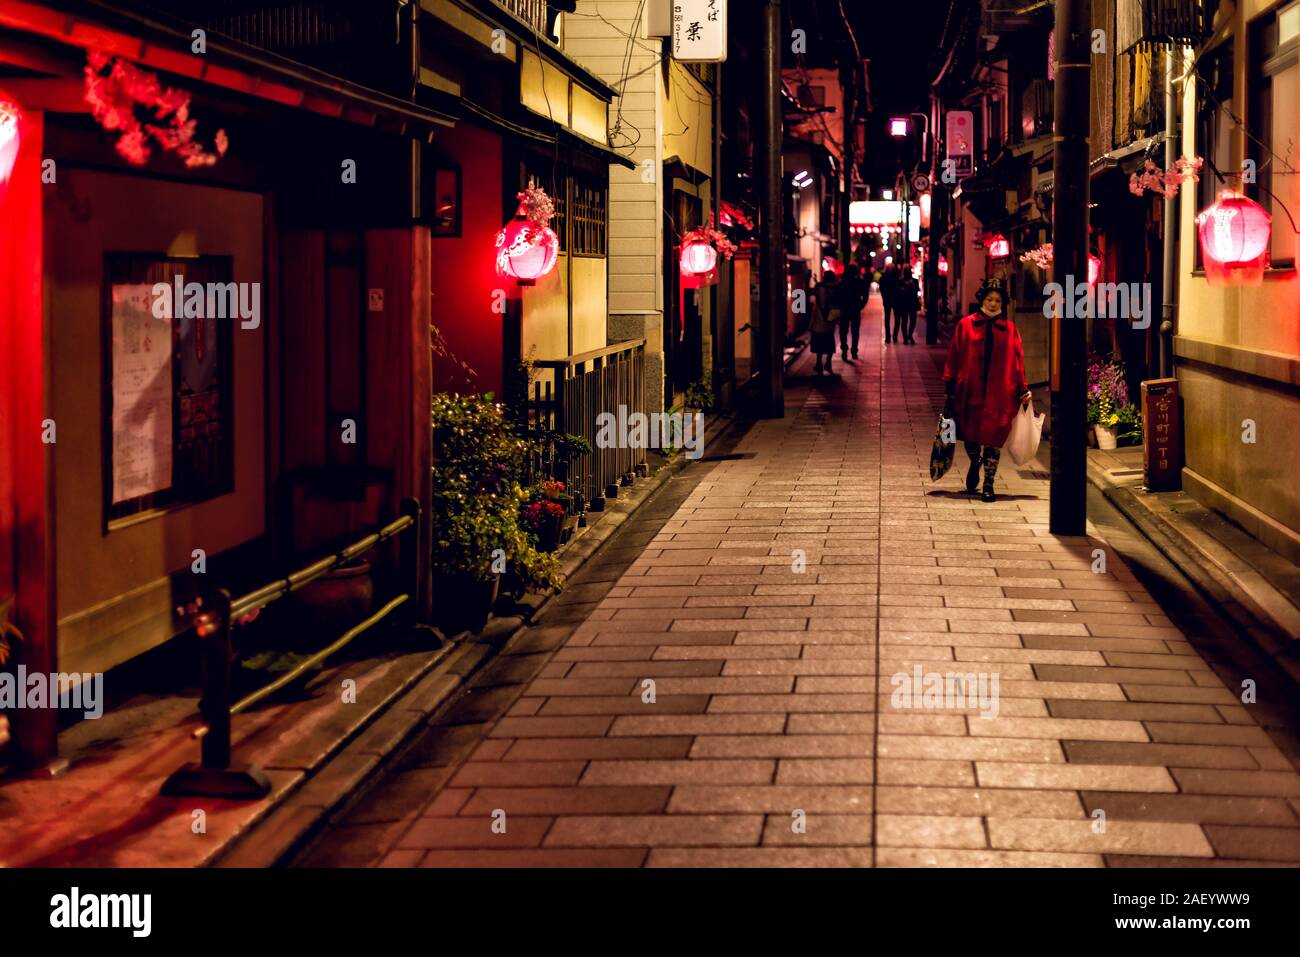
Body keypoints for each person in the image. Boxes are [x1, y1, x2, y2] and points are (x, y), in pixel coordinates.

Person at [942, 278, 1030, 502]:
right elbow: (955, 354)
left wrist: (1023, 389)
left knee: (993, 437)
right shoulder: (966, 324)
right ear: (982, 299)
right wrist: (950, 384)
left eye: (997, 300)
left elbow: (1018, 361)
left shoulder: (1011, 330)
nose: (992, 303)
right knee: (971, 435)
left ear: (1003, 302)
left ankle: (989, 483)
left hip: (1000, 392)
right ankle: (974, 462)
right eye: (989, 299)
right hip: (970, 389)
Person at [835, 264, 869, 360]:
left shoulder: (842, 283)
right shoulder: (859, 282)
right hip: (855, 308)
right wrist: (861, 305)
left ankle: (844, 349)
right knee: (855, 331)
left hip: (845, 309)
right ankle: (854, 350)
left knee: (843, 331)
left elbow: (837, 296)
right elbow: (865, 295)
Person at [810, 272, 840, 376]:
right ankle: (828, 363)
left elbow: (807, 293)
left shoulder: (819, 288)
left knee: (819, 345)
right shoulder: (837, 288)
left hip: (819, 321)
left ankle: (819, 364)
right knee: (829, 344)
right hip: (831, 320)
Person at [879, 263, 900, 344]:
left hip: (889, 300)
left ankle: (890, 336)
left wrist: (884, 297)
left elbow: (882, 289)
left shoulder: (883, 278)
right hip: (895, 300)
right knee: (895, 318)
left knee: (888, 318)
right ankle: (893, 336)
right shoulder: (896, 278)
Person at [899, 271, 920, 345]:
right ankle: (905, 338)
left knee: (913, 320)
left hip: (913, 303)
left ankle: (910, 335)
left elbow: (917, 289)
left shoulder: (914, 280)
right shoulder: (901, 281)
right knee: (904, 321)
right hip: (904, 303)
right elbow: (899, 291)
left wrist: (912, 285)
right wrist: (905, 286)